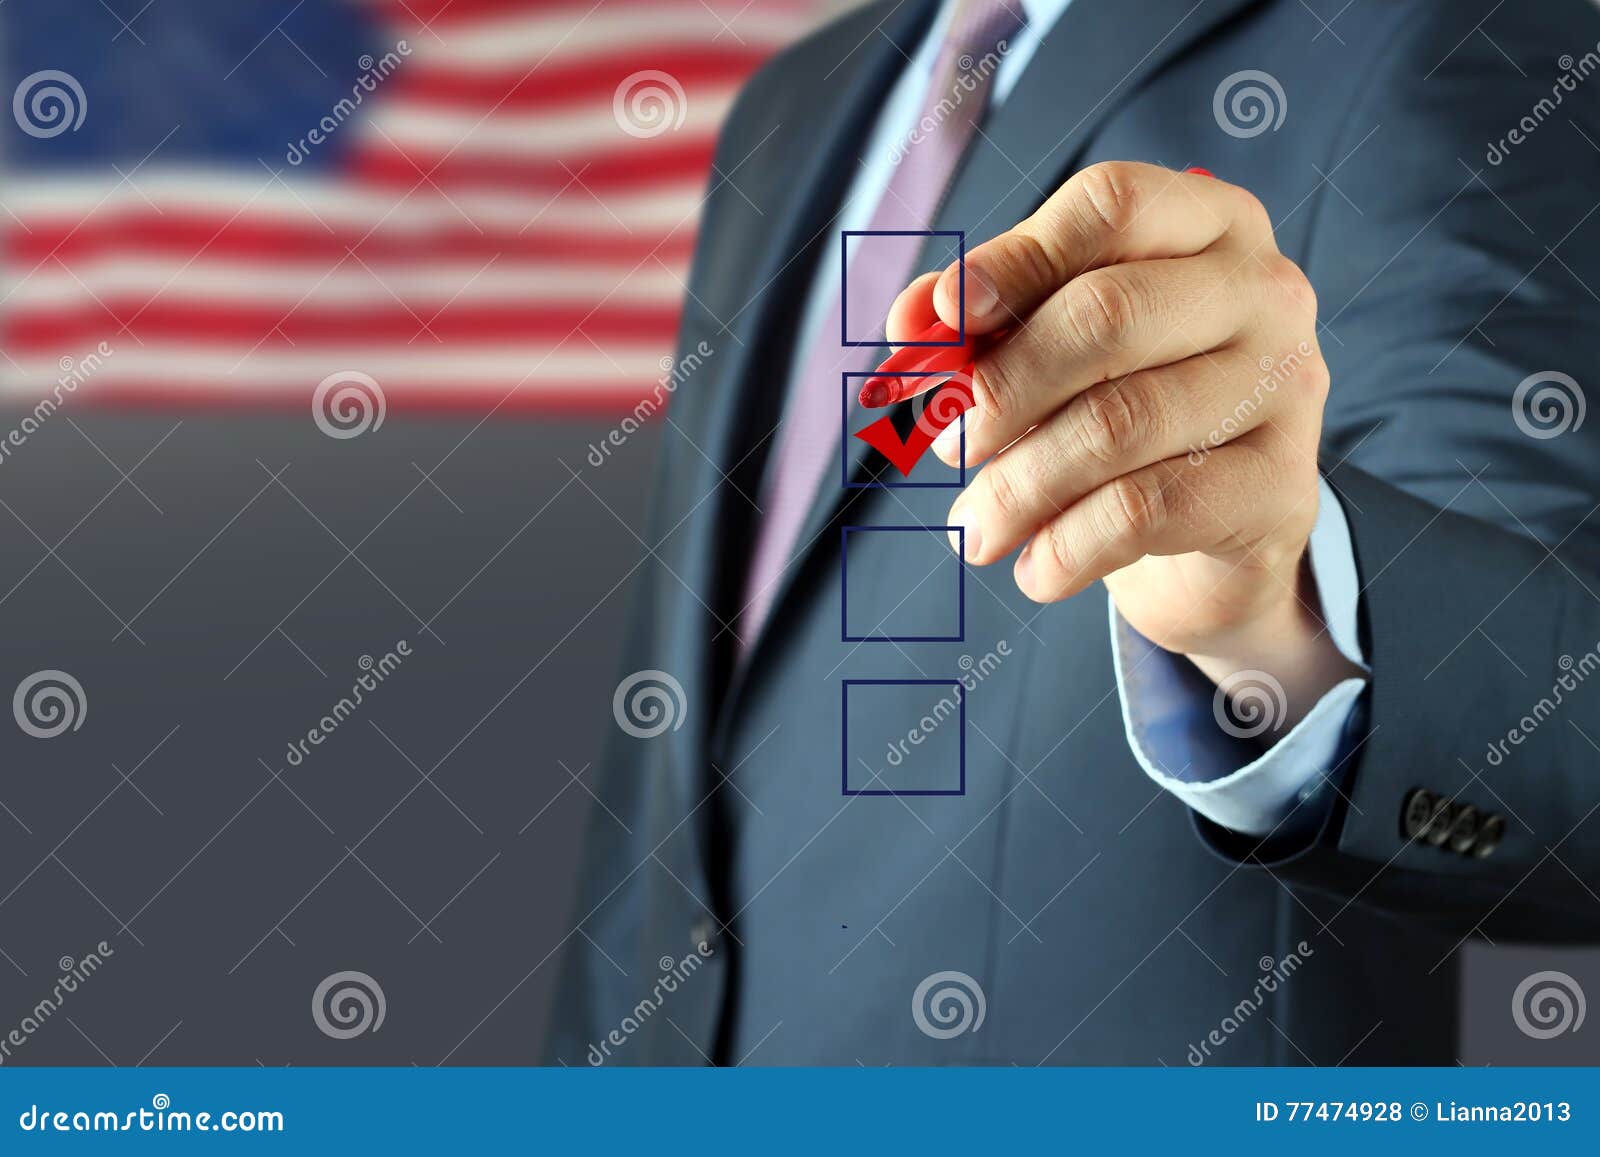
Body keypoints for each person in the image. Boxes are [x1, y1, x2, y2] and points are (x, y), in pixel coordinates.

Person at [547, 0, 1600, 1065]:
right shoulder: (794, 101)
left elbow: (1560, 717)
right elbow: (661, 803)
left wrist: (1273, 626)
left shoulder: (1433, 27)